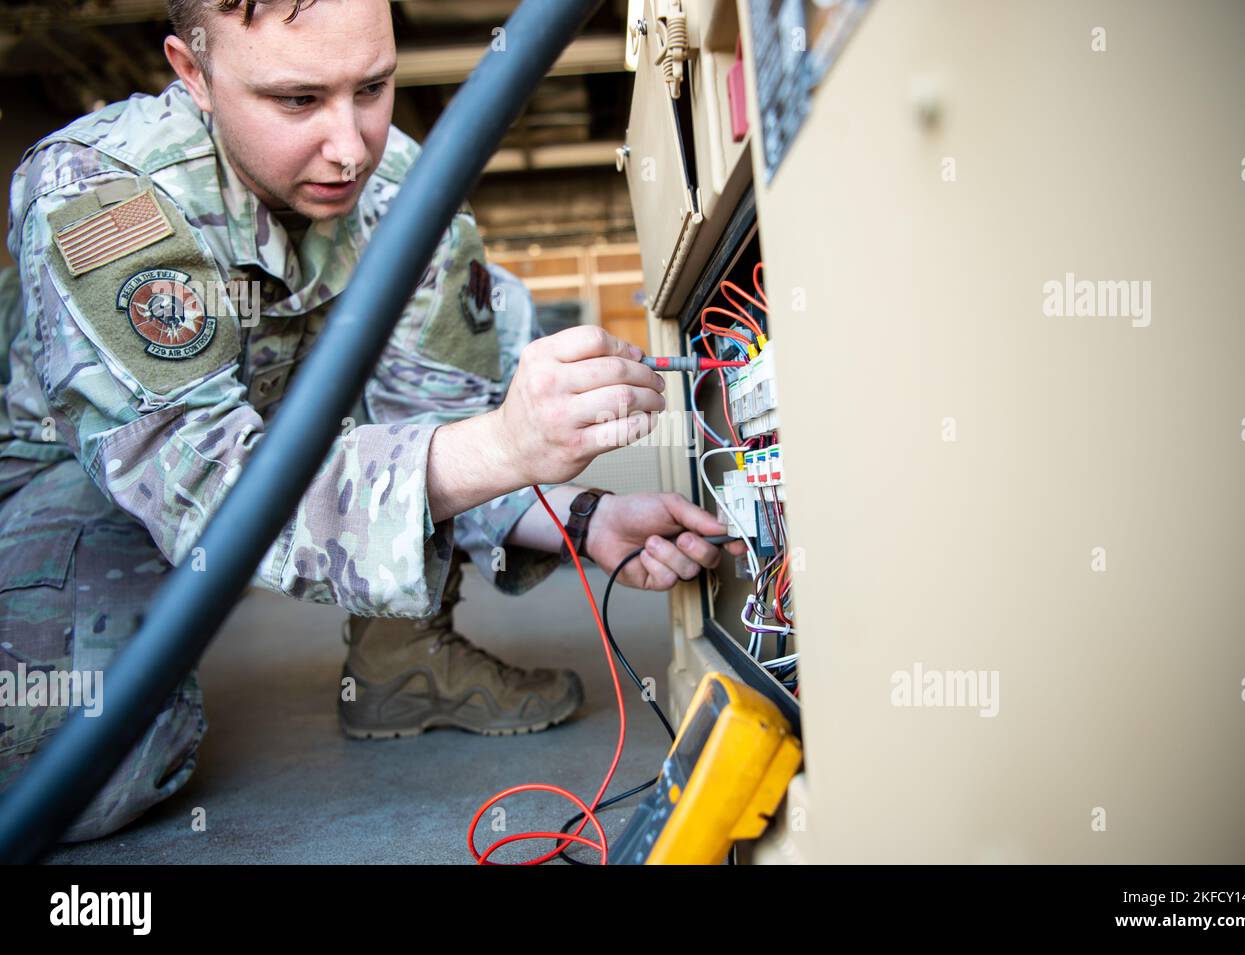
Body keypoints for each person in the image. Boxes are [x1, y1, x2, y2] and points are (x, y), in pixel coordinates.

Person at [0, 0, 745, 842]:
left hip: (272, 446)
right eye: (296, 100)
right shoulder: (103, 192)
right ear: (192, 73)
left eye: (375, 86)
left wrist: (585, 516)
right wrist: (501, 443)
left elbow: (437, 416)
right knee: (82, 765)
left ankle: (405, 664)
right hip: (88, 477)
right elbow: (199, 484)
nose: (350, 146)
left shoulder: (397, 184)